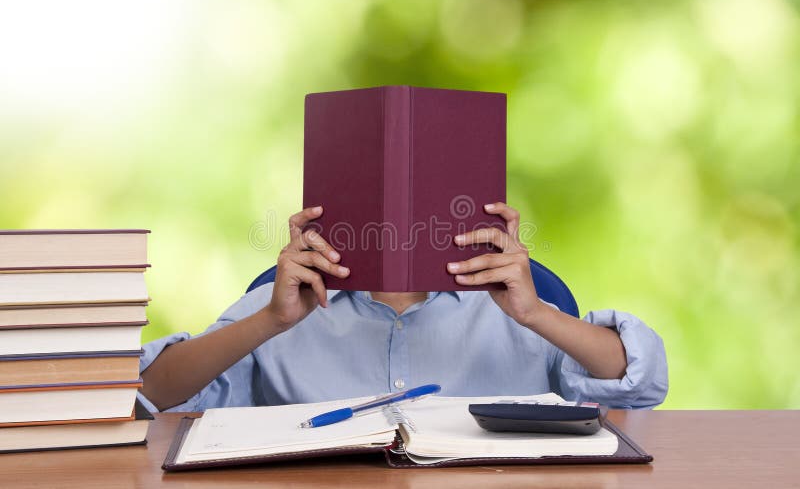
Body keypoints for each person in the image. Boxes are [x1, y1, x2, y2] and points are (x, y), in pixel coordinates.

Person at [139, 202, 668, 412]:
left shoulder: (517, 309)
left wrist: (537, 315)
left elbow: (640, 385)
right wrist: (269, 321)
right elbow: (150, 395)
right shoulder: (283, 303)